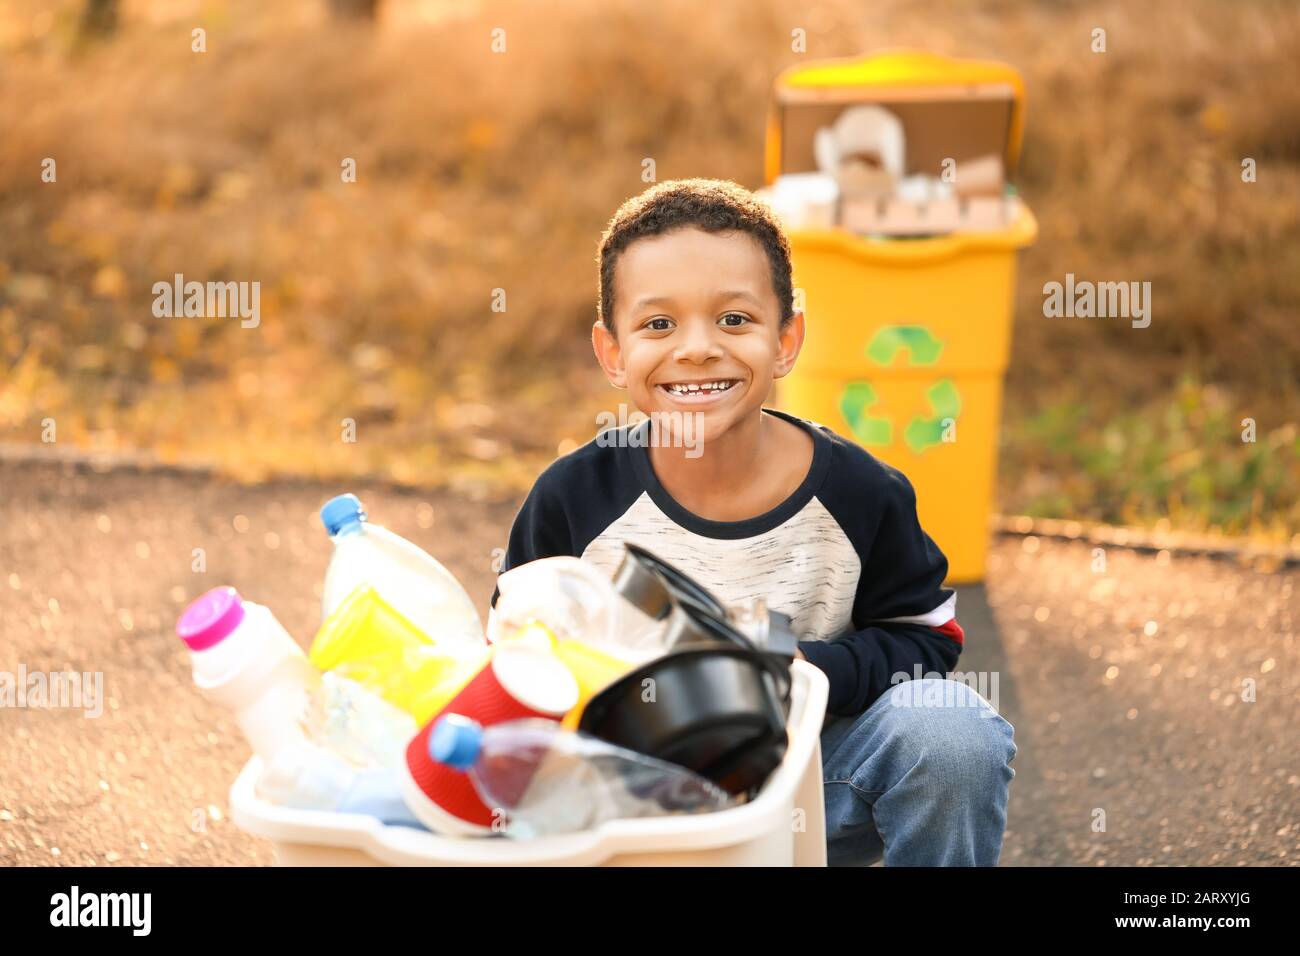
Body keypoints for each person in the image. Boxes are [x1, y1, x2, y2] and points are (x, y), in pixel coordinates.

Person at [490, 178, 1016, 866]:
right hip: (629, 813)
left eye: (734, 320)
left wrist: (806, 666)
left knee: (954, 734)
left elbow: (925, 640)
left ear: (787, 338)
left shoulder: (862, 493)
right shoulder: (574, 497)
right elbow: (510, 654)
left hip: (805, 798)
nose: (699, 348)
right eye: (658, 325)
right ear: (612, 352)